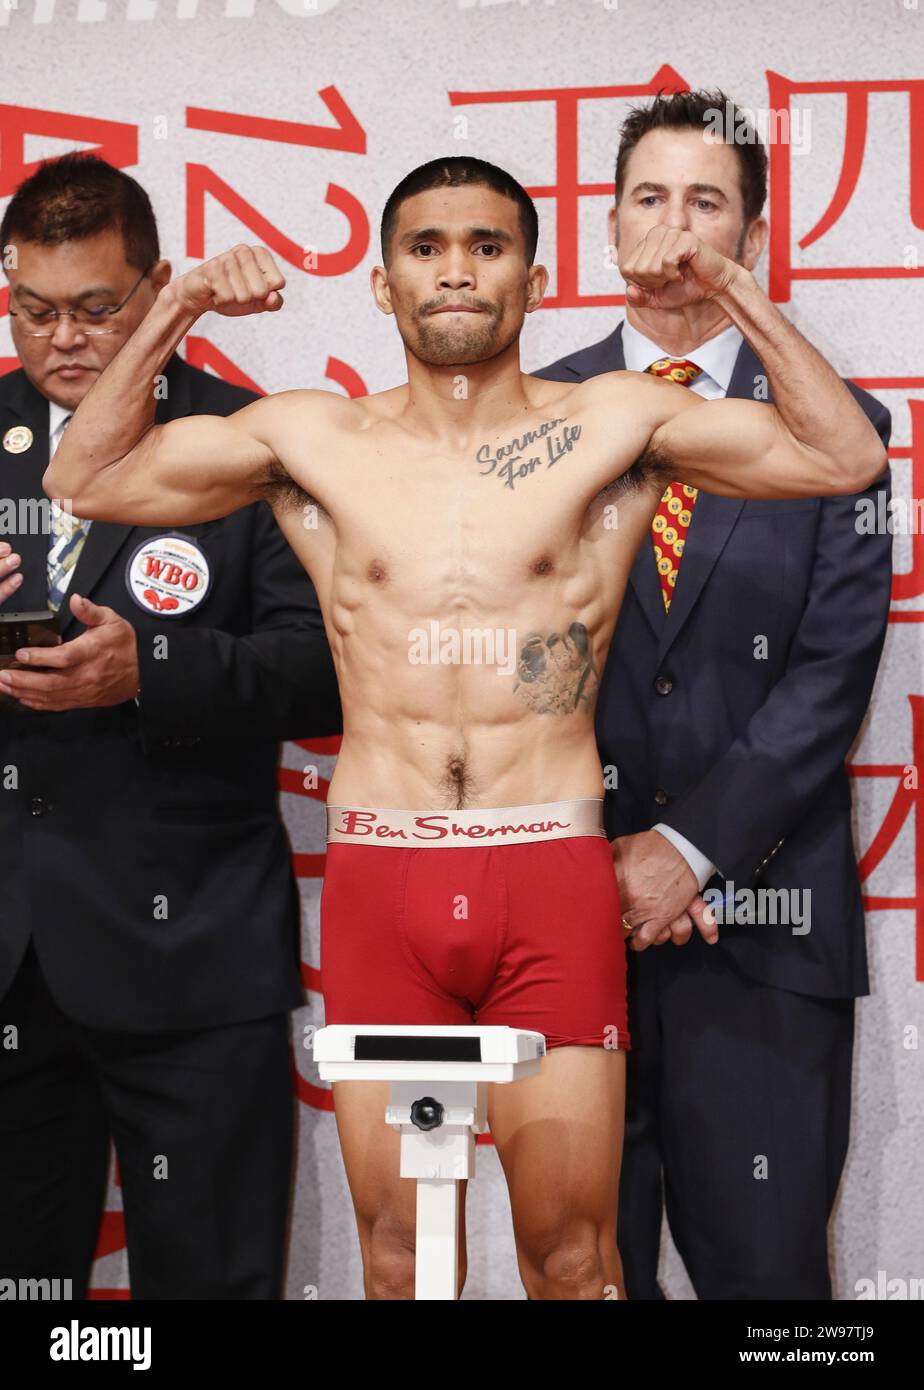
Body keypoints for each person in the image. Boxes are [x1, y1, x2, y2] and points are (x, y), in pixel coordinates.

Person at [43, 155, 887, 1301]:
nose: (456, 270)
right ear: (383, 287)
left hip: (547, 870)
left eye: (487, 247)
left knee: (574, 1258)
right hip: (386, 878)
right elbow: (85, 475)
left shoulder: (614, 423)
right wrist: (178, 304)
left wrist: (727, 284)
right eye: (425, 248)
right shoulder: (310, 439)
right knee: (401, 1261)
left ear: (534, 281)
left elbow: (846, 456)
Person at [533, 91, 892, 1299]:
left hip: (765, 928)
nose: (675, 233)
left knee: (775, 1292)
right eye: (648, 198)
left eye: (707, 206)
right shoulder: (533, 416)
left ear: (753, 234)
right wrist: (603, 857)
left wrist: (689, 849)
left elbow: (833, 667)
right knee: (583, 1275)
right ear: (606, 221)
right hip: (569, 931)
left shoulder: (840, 427)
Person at [0, 153, 341, 1299]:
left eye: (98, 309)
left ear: (152, 296)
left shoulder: (248, 440)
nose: (65, 339)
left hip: (189, 954)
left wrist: (145, 668)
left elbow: (325, 675)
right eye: (34, 310)